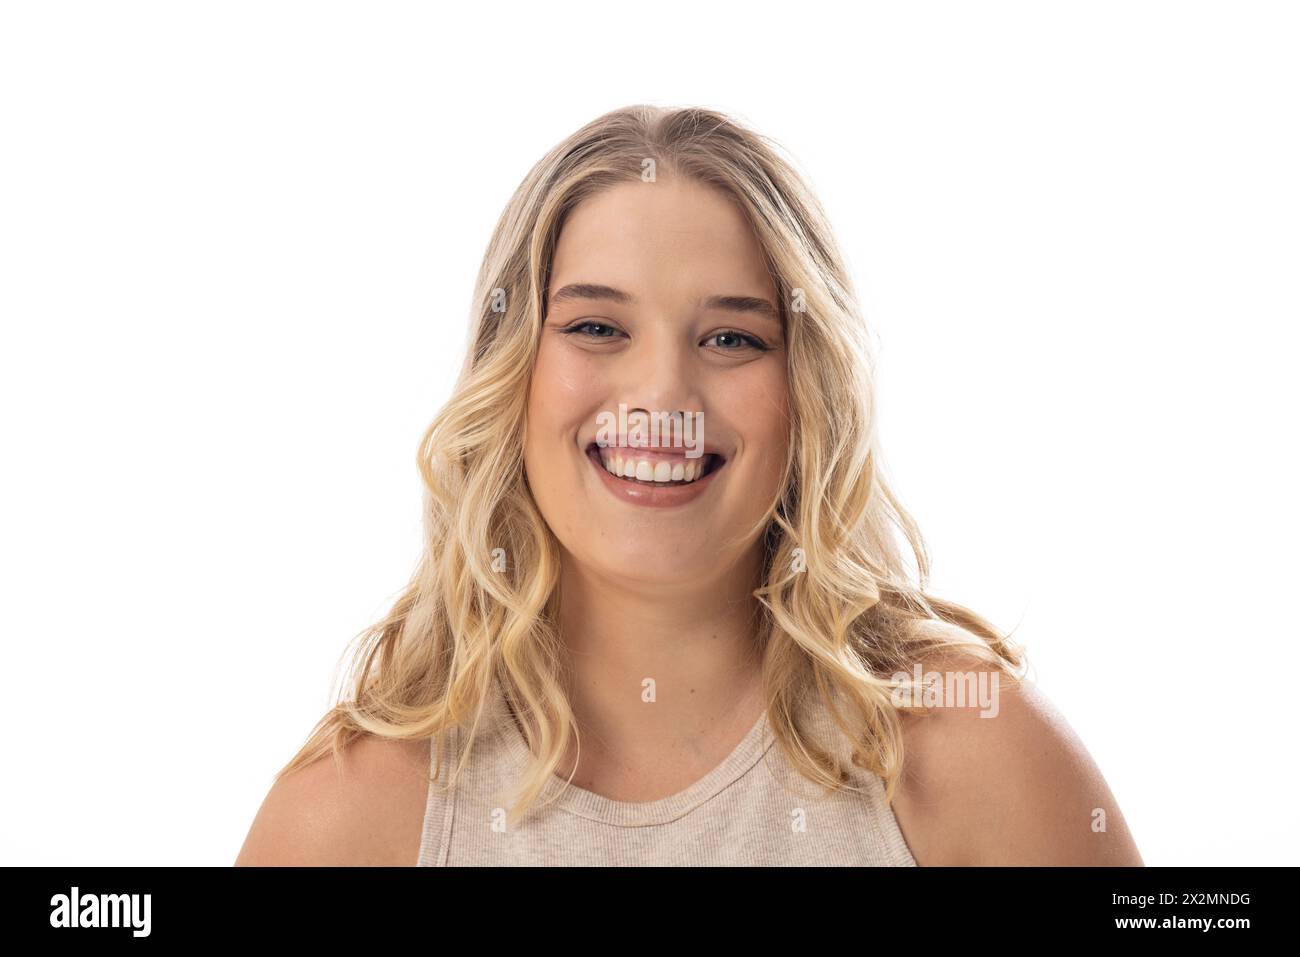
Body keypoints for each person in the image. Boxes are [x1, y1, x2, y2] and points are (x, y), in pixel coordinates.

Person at [236, 104, 1142, 866]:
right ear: (509, 373)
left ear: (806, 394)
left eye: (732, 338)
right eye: (597, 326)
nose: (661, 395)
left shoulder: (974, 752)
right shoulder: (347, 816)